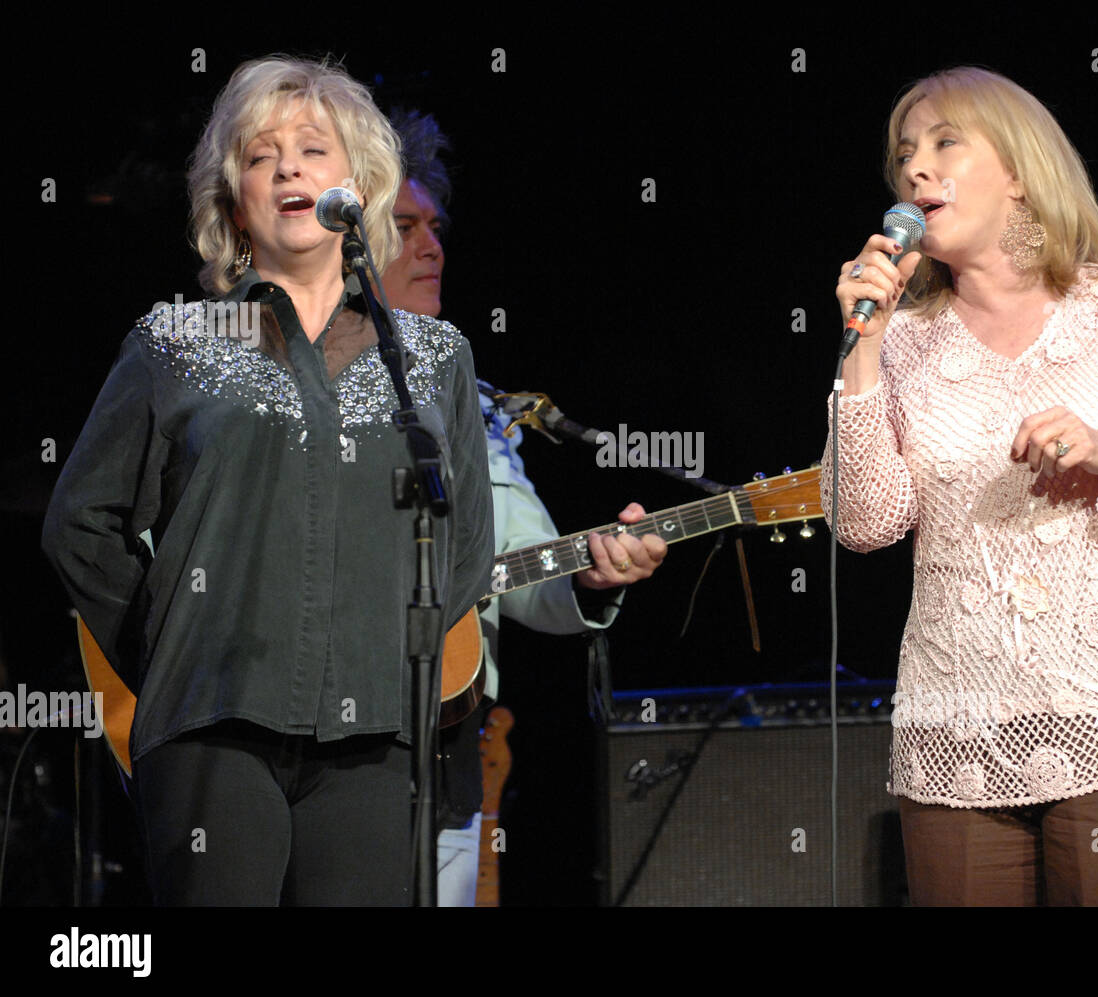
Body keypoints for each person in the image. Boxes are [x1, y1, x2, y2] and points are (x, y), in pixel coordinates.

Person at [40, 56, 495, 905]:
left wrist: (392, 658)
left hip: (374, 739)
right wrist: (175, 644)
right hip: (212, 729)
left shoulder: (434, 358)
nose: (287, 167)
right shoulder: (176, 340)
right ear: (234, 205)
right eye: (259, 156)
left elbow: (466, 544)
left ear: (358, 186)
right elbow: (79, 521)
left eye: (313, 150)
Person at [823, 66, 1098, 906]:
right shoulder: (904, 343)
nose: (915, 168)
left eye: (946, 142)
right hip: (957, 731)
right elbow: (867, 520)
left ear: (1021, 170)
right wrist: (865, 349)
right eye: (905, 152)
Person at [380, 109, 667, 906]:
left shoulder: (469, 404)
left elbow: (531, 574)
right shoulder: (269, 387)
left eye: (434, 225)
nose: (431, 246)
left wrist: (594, 580)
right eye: (403, 227)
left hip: (446, 751)